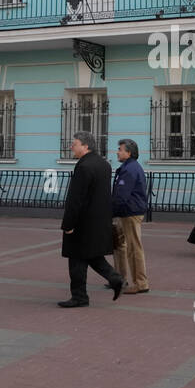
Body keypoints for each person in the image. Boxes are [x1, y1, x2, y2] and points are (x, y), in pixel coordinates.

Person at [58, 131, 123, 308]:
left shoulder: (84, 166)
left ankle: (80, 296)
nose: (72, 146)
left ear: (85, 146)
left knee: (77, 259)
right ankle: (115, 278)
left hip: (82, 223)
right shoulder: (103, 164)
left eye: (75, 143)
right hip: (99, 220)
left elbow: (76, 198)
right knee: (91, 256)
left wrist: (68, 224)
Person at [111, 139, 149, 294]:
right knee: (119, 245)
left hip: (130, 212)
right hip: (125, 211)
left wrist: (111, 211)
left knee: (134, 248)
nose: (117, 152)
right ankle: (120, 278)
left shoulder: (130, 169)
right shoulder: (128, 167)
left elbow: (121, 195)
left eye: (120, 149)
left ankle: (141, 283)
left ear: (129, 152)